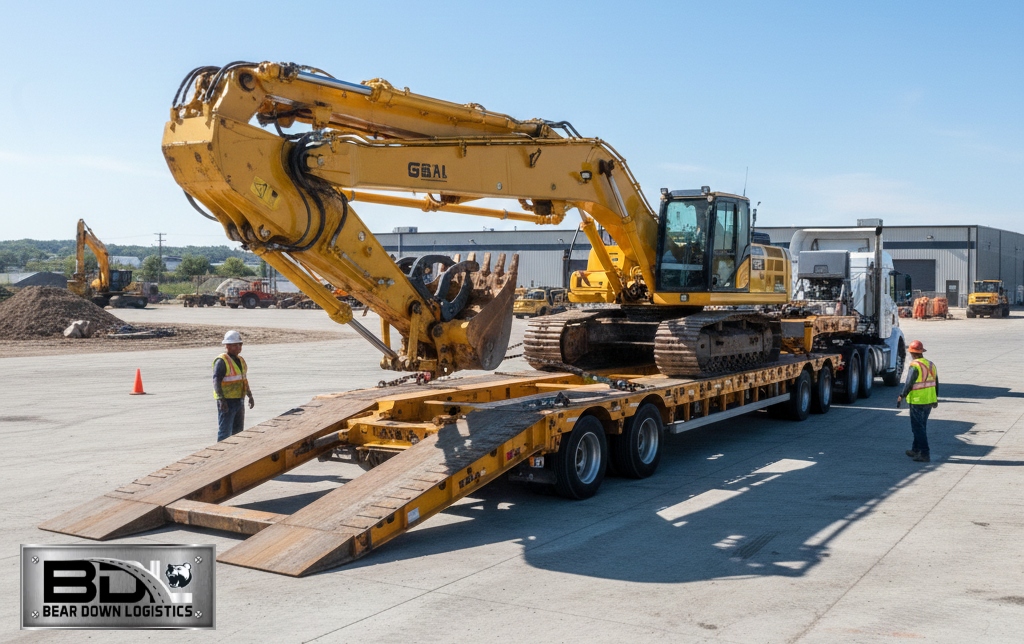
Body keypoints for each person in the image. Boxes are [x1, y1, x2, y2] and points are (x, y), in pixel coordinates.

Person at [896, 339, 938, 462]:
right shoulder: (931, 364)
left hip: (918, 401)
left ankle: (924, 453)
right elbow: (936, 383)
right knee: (921, 426)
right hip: (929, 400)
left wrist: (902, 395)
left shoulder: (915, 366)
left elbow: (909, 382)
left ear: (912, 353)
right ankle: (915, 449)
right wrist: (936, 398)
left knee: (918, 428)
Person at [213, 330, 254, 441]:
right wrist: (221, 399)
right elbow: (216, 381)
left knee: (238, 431)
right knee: (225, 431)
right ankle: (221, 454)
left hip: (239, 400)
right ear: (227, 346)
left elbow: (243, 379)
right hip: (227, 401)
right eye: (236, 345)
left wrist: (249, 395)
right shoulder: (222, 361)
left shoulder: (240, 360)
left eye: (240, 344)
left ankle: (236, 454)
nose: (239, 347)